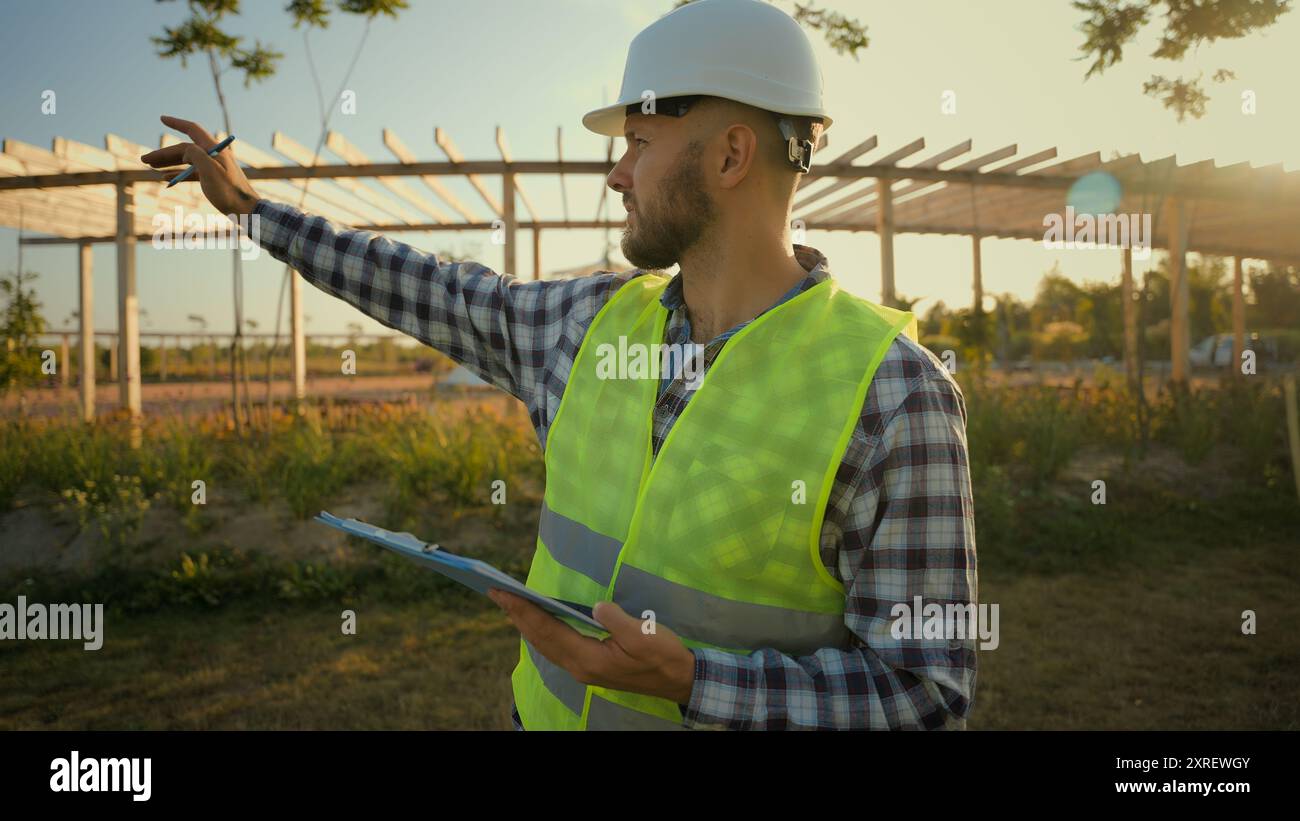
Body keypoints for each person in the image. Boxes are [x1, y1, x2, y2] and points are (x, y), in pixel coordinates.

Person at [141, 0, 977, 731]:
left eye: (639, 142)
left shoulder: (896, 398)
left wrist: (697, 682)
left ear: (730, 156)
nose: (616, 173)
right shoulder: (586, 326)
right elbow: (422, 287)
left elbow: (924, 694)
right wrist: (253, 209)